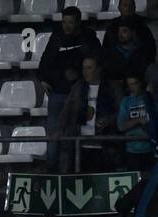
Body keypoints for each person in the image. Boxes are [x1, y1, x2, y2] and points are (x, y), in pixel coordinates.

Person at [38, 6, 104, 167]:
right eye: (64, 22)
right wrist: (43, 79)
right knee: (54, 136)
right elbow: (44, 63)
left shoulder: (88, 38)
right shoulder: (56, 37)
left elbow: (96, 62)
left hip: (79, 95)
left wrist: (78, 74)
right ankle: (51, 171)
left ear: (79, 22)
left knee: (71, 137)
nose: (66, 26)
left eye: (70, 22)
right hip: (57, 94)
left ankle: (68, 173)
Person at [54, 54, 120, 172]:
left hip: (105, 145)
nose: (85, 71)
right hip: (81, 145)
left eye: (89, 68)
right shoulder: (78, 87)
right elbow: (66, 112)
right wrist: (59, 130)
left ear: (98, 69)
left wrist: (109, 120)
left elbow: (121, 112)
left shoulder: (112, 87)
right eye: (84, 68)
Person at [117, 72, 158, 170]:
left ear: (141, 83)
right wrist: (139, 120)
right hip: (132, 151)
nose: (132, 88)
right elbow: (121, 126)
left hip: (152, 148)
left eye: (134, 84)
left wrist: (151, 95)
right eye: (129, 85)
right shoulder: (126, 101)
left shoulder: (150, 97)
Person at [102, 18, 155, 85]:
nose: (120, 35)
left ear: (133, 33)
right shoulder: (112, 54)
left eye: (124, 31)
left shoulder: (143, 52)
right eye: (119, 31)